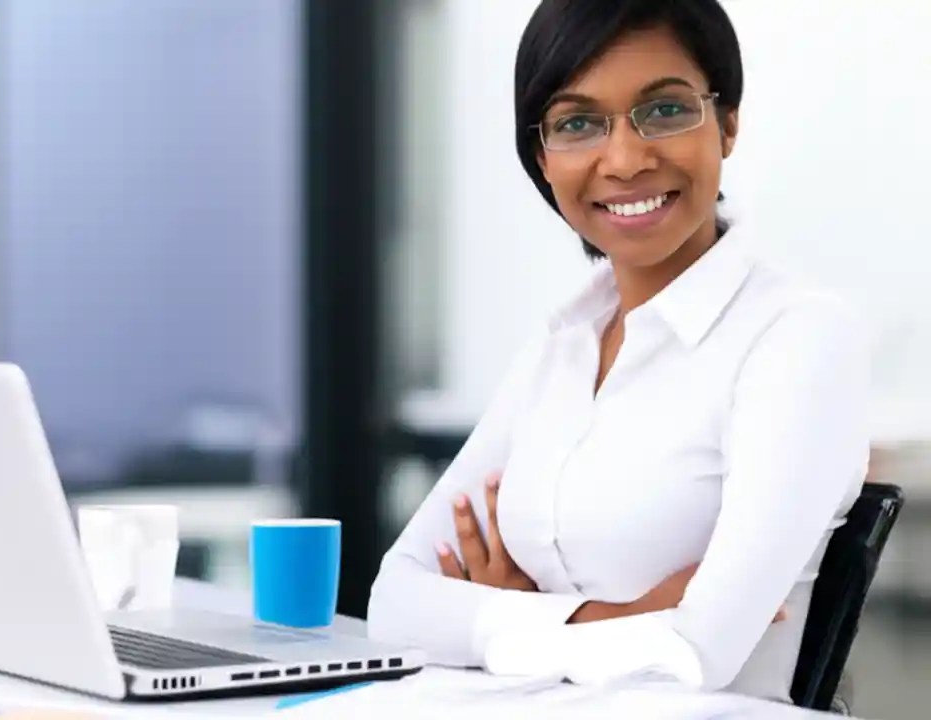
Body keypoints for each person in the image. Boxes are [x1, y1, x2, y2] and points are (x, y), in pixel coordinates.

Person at [367, 0, 868, 703]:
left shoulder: (798, 337)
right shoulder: (565, 342)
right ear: (542, 157)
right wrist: (612, 620)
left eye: (665, 111)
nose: (627, 159)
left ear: (727, 123)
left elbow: (696, 653)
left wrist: (496, 623)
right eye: (577, 124)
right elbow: (394, 603)